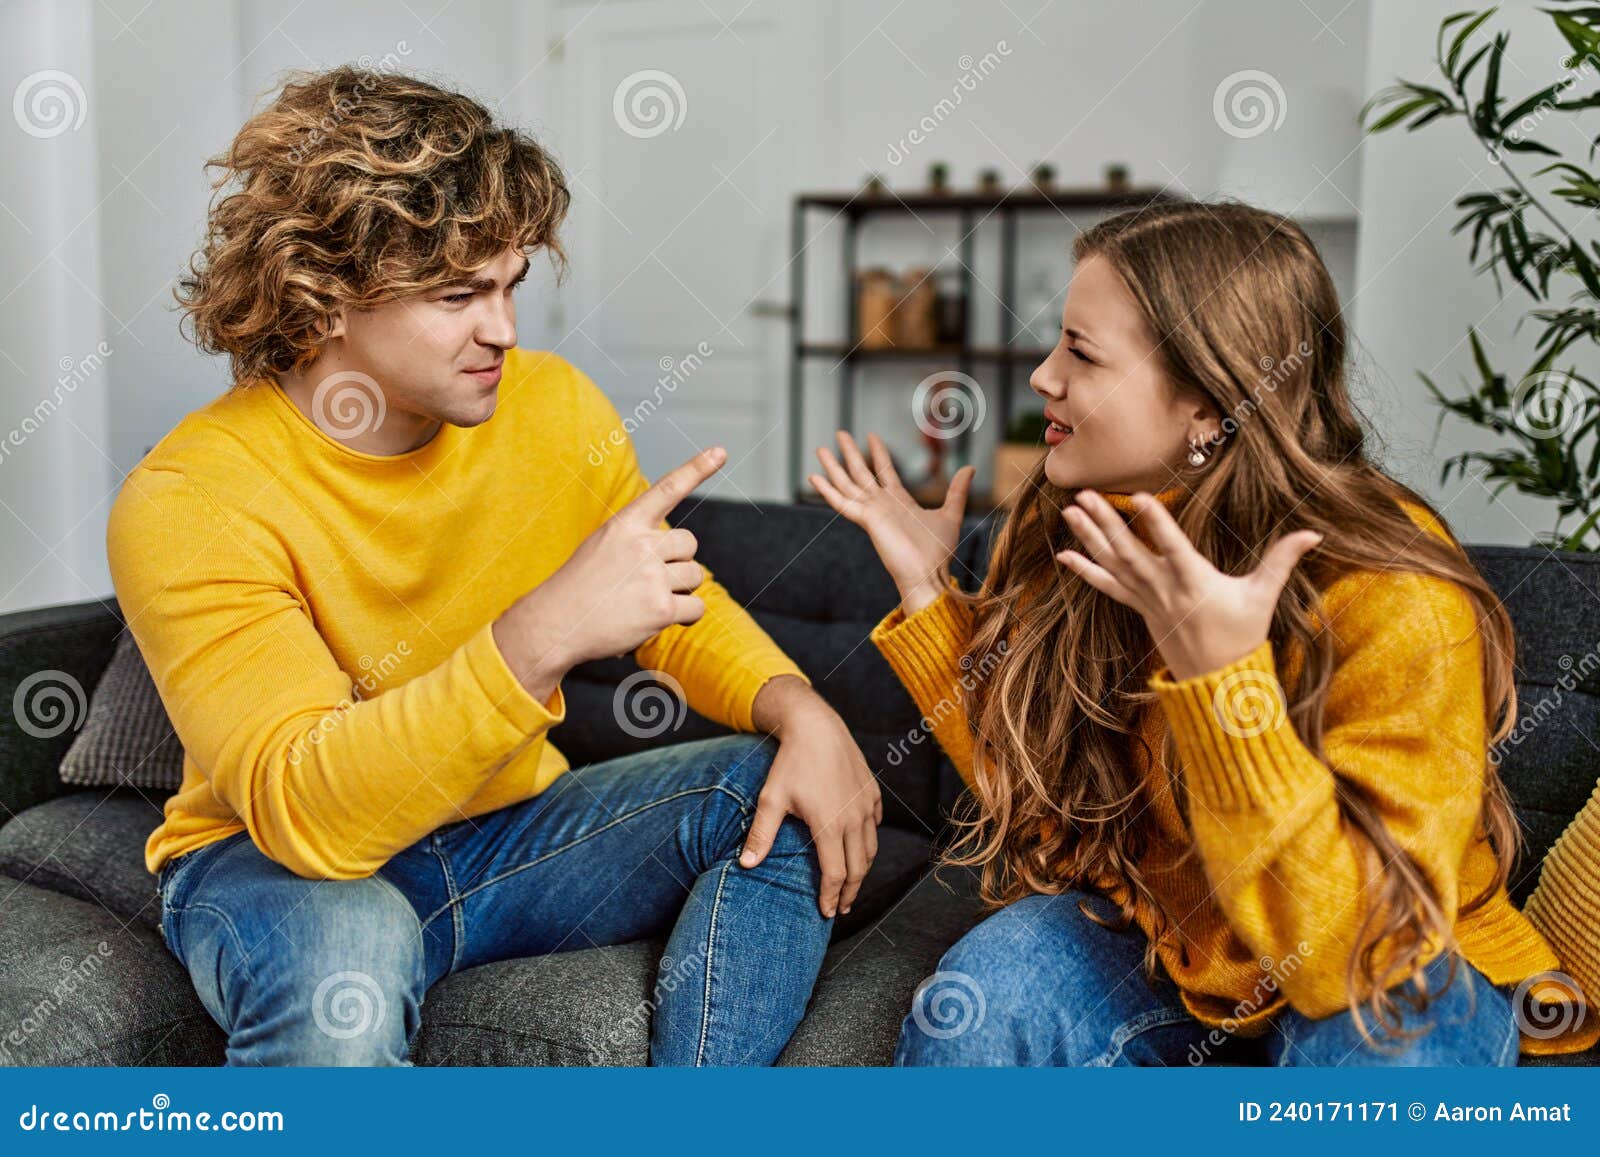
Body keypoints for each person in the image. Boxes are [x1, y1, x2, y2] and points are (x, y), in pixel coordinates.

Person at [107, 65, 880, 1067]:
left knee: (777, 788)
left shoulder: (551, 408)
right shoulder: (190, 494)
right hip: (268, 863)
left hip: (501, 838)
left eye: (510, 284)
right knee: (353, 942)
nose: (504, 331)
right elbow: (309, 815)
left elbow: (670, 597)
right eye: (456, 294)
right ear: (325, 293)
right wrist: (541, 633)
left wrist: (798, 707)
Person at [810, 198, 1594, 1065]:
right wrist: (926, 589)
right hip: (1170, 943)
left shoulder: (1388, 586)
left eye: (1080, 350)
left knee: (1392, 1049)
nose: (1041, 377)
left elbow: (1352, 952)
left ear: (1210, 405)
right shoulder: (1077, 524)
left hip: (1383, 955)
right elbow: (1038, 802)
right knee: (984, 999)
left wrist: (1227, 687)